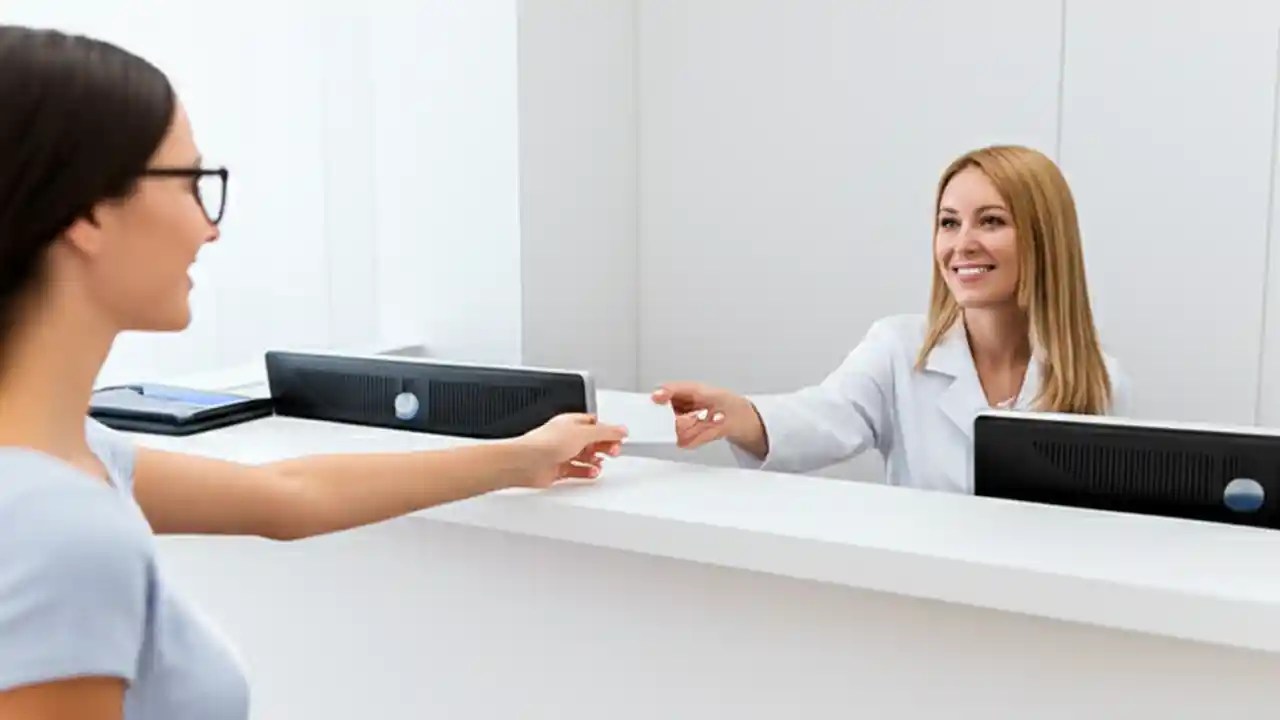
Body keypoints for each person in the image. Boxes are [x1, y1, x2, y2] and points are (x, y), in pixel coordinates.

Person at [0, 25, 628, 720]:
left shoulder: (66, 458)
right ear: (87, 209)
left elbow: (287, 494)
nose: (210, 229)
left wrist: (520, 458)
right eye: (192, 183)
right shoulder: (59, 529)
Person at [652, 144, 1130, 494]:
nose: (961, 243)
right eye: (949, 222)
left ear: (1044, 238)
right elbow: (826, 414)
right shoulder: (899, 350)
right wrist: (741, 416)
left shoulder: (1099, 381)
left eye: (991, 221)